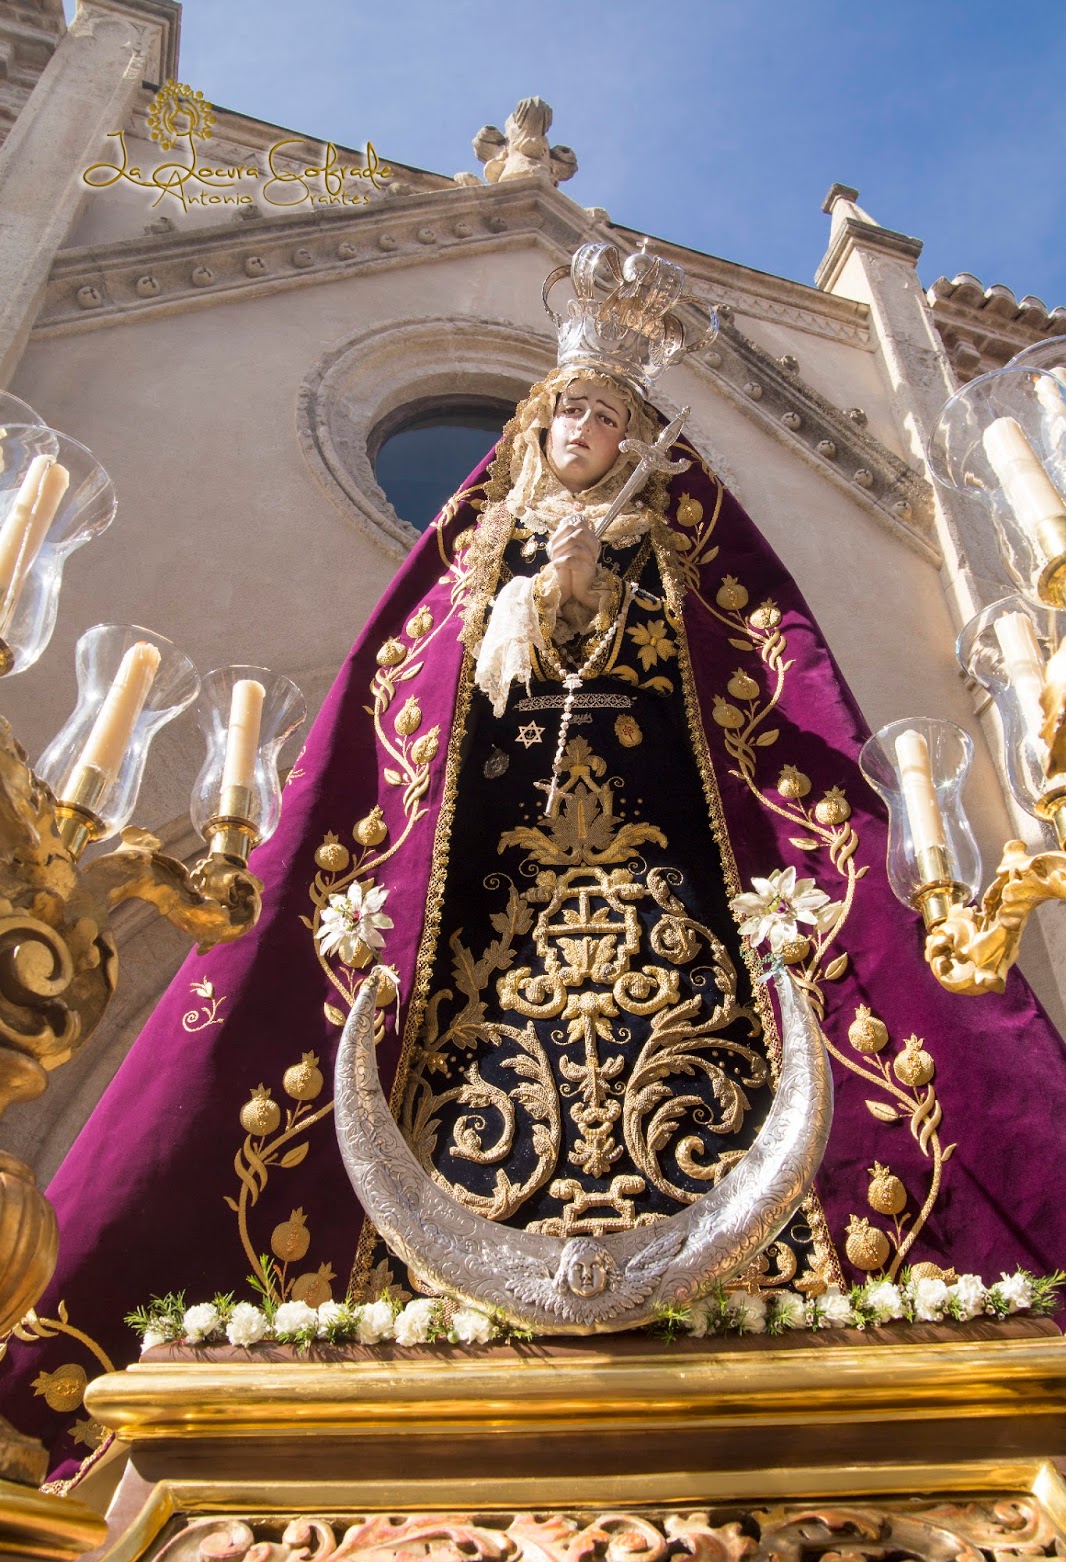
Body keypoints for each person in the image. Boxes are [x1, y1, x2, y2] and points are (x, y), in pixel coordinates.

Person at [5, 243, 1066, 1486]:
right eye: (568, 414)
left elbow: (744, 692)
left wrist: (619, 598)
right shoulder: (477, 546)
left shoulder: (676, 548)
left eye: (608, 418)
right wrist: (525, 600)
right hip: (490, 870)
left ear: (632, 439)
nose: (585, 433)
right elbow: (416, 694)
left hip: (660, 857)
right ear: (534, 430)